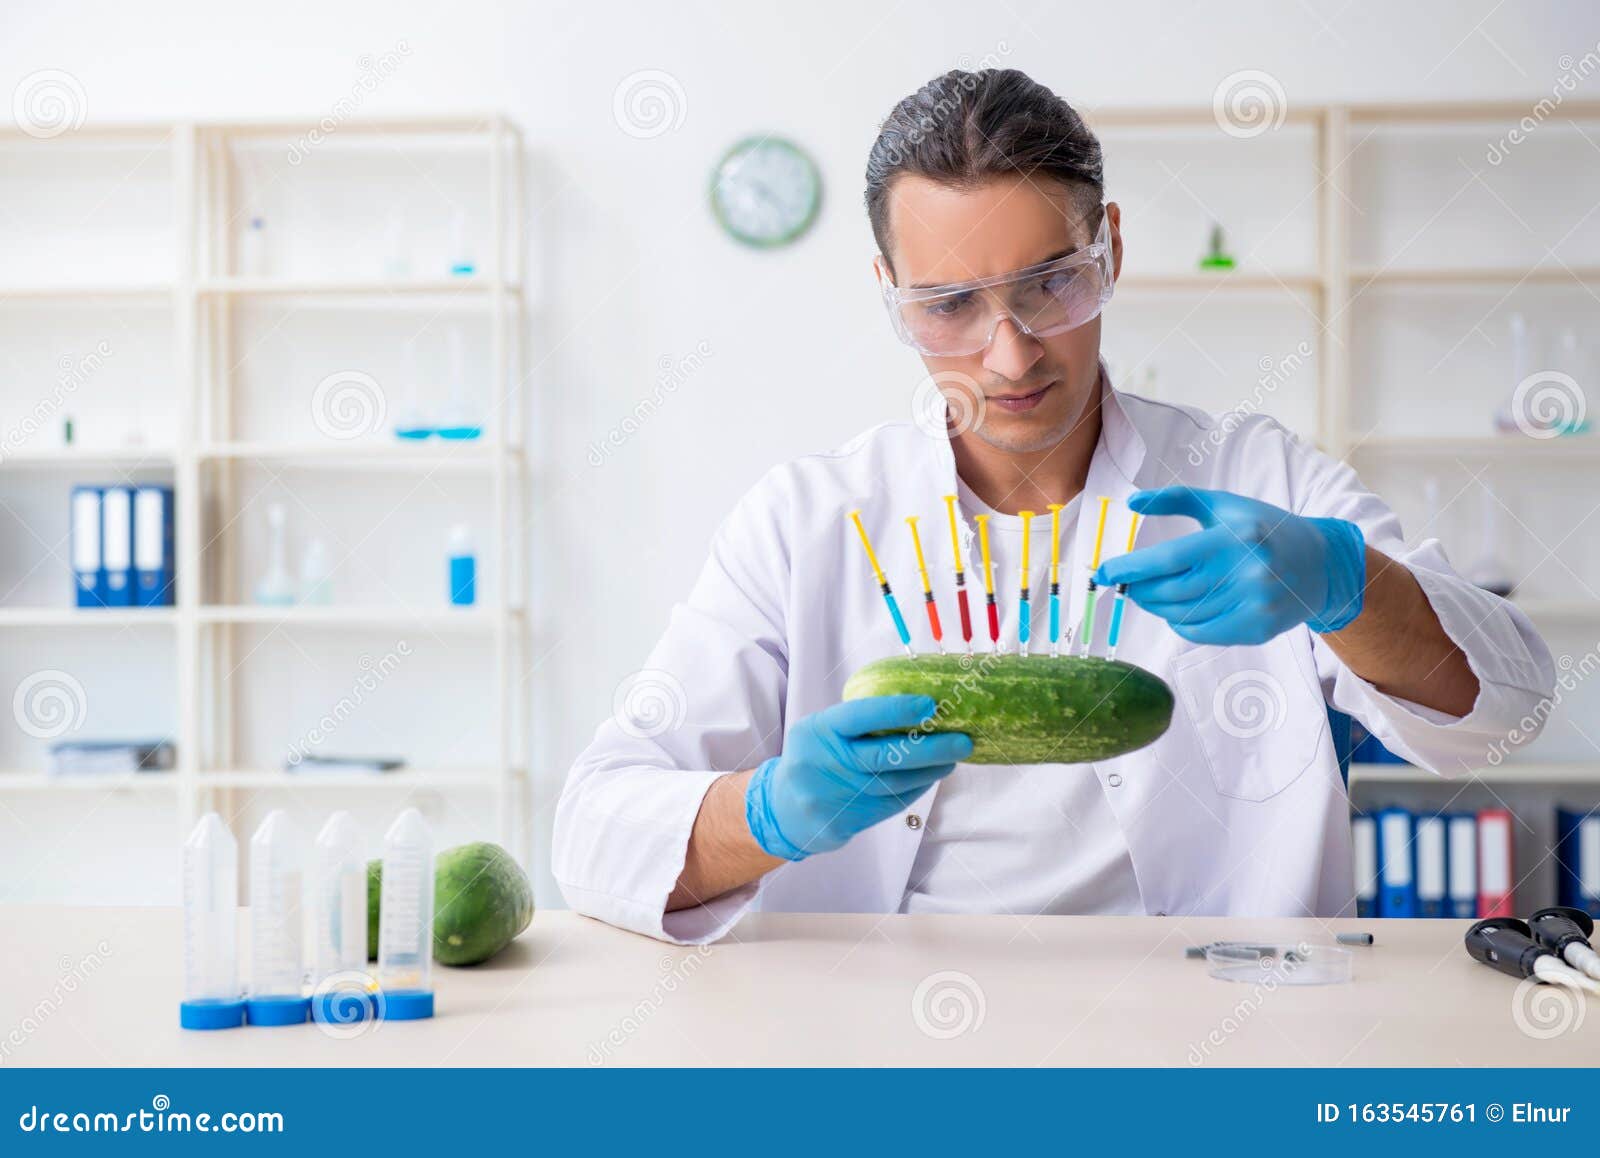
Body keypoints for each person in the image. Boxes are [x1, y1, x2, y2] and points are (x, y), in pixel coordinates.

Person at [553, 69, 1555, 944]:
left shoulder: (1256, 478)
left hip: (1219, 1037)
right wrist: (764, 815)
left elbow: (1508, 716)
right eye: (948, 305)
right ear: (890, 296)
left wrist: (1345, 583)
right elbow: (592, 831)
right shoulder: (808, 522)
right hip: (879, 1044)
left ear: (1109, 249)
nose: (1011, 352)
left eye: (1048, 285)